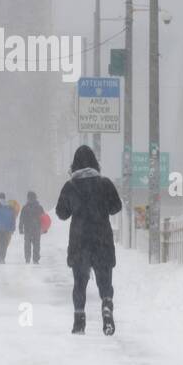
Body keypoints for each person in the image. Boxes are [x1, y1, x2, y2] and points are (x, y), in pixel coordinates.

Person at [54, 144, 122, 335]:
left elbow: (61, 213)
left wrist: (76, 206)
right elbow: (116, 207)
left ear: (74, 165)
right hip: (102, 240)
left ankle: (79, 320)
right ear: (95, 163)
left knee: (79, 283)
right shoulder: (105, 184)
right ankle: (107, 306)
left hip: (80, 241)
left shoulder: (70, 186)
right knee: (105, 282)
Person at [18, 190, 45, 264]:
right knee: (36, 244)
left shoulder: (25, 207)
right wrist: (44, 228)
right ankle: (35, 260)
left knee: (27, 245)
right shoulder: (39, 207)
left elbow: (21, 219)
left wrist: (20, 228)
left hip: (28, 229)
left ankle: (27, 259)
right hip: (37, 229)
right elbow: (44, 219)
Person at [0, 192, 16, 264]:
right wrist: (13, 228)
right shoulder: (10, 207)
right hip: (7, 229)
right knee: (4, 244)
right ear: (5, 198)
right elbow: (13, 218)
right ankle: (2, 257)